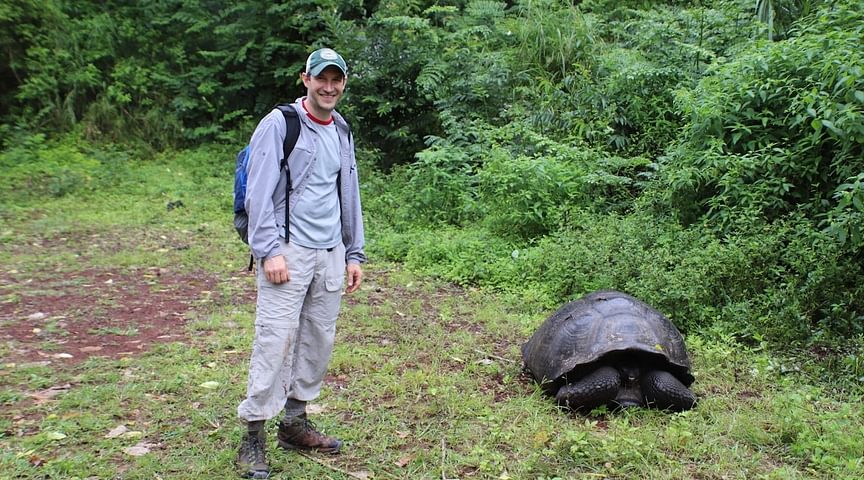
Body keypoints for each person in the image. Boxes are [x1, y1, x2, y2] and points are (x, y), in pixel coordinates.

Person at [235, 47, 365, 479]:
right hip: (286, 254)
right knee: (275, 340)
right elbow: (257, 193)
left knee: (317, 341)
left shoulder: (341, 130)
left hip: (329, 255)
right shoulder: (280, 124)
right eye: (321, 78)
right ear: (304, 79)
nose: (329, 87)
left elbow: (349, 195)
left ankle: (294, 423)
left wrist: (353, 252)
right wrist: (268, 251)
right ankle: (252, 435)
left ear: (343, 83)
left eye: (337, 80)